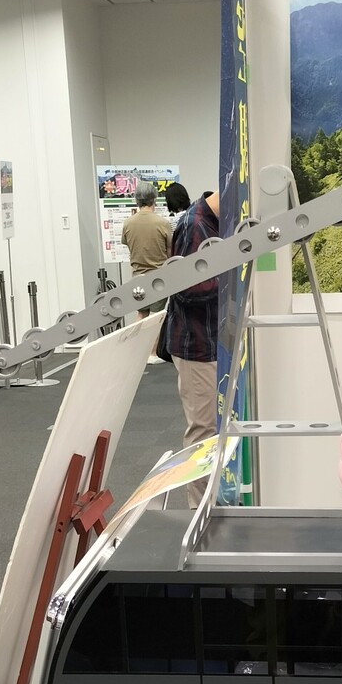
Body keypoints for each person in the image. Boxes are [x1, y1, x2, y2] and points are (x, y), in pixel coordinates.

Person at [165, 190, 220, 507]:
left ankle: (213, 506)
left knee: (215, 429)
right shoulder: (194, 224)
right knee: (203, 431)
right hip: (196, 345)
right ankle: (198, 511)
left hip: (214, 341)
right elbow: (185, 288)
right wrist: (231, 271)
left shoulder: (214, 224)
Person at [121, 180, 172, 364]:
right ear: (154, 198)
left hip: (137, 277)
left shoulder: (128, 223)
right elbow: (170, 251)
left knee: (141, 314)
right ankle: (151, 353)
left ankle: (134, 351)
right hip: (158, 276)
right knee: (157, 316)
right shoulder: (163, 223)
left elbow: (126, 244)